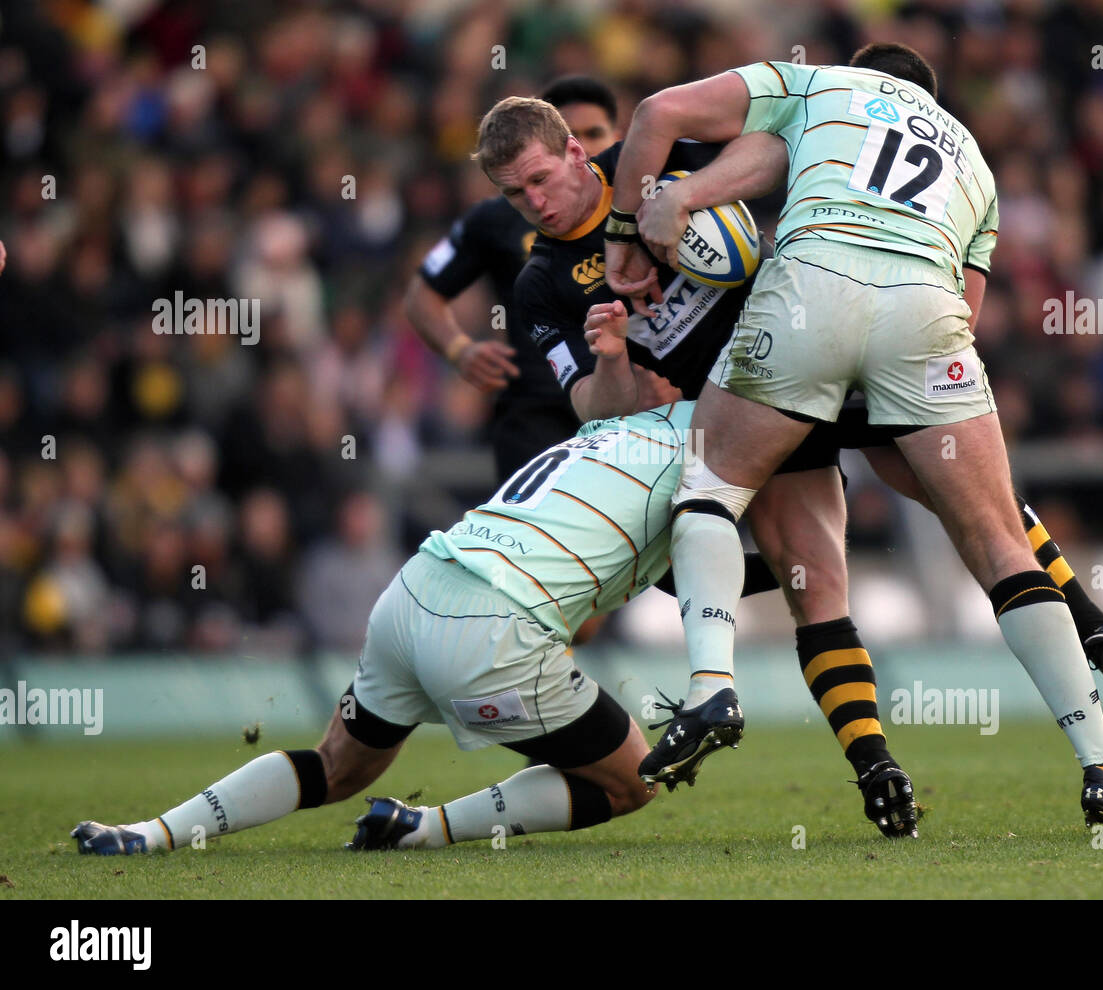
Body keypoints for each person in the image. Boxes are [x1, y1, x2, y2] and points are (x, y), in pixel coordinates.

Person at [604, 44, 1103, 833]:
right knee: (997, 537)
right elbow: (967, 310)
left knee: (712, 486)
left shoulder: (821, 85)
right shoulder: (976, 163)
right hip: (926, 312)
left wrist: (636, 221)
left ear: (867, 72)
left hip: (811, 288)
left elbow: (659, 112)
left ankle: (710, 688)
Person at [476, 96, 916, 833]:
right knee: (811, 584)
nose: (535, 204)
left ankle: (1074, 619)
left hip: (801, 354)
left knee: (941, 481)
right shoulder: (542, 285)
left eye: (540, 179)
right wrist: (613, 353)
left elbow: (772, 151)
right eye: (515, 195)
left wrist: (689, 197)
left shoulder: (653, 165)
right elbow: (596, 408)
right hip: (713, 432)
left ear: (579, 153)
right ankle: (876, 766)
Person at [71, 400, 783, 856]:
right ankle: (426, 829)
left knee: (337, 765)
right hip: (495, 631)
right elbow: (702, 553)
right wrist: (803, 565)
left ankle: (151, 833)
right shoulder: (706, 455)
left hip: (415, 589)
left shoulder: (609, 436)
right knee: (634, 780)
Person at [404, 76, 621, 484]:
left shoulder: (633, 189)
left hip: (629, 403)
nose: (534, 198)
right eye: (519, 189)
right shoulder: (493, 221)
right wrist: (458, 349)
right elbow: (423, 293)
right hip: (538, 409)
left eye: (595, 133)